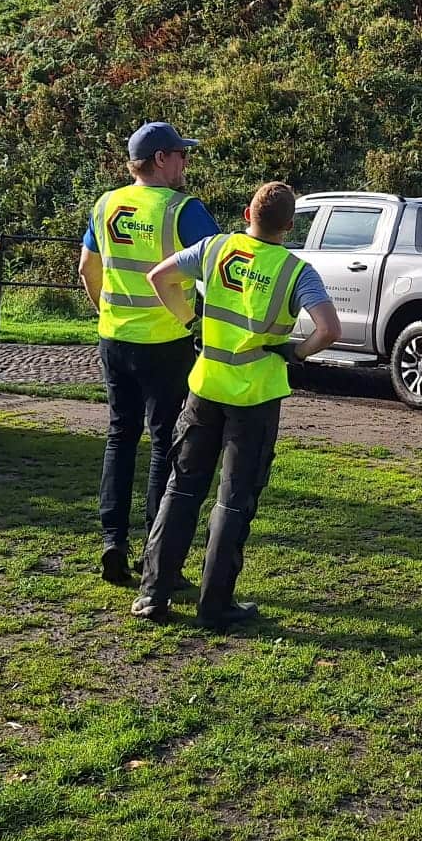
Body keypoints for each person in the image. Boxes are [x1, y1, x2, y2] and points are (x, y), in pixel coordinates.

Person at [131, 181, 340, 626]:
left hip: (205, 385)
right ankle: (215, 603)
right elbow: (328, 329)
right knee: (232, 500)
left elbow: (158, 276)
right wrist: (295, 353)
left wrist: (190, 321)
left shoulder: (213, 248)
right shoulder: (295, 271)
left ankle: (153, 594)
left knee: (181, 488)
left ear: (247, 213)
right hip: (256, 396)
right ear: (289, 226)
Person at [78, 122, 220, 586]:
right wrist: (194, 323)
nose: (185, 163)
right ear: (161, 159)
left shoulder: (106, 204)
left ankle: (111, 540)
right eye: (181, 155)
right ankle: (154, 554)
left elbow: (86, 269)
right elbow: (220, 267)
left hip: (114, 339)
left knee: (120, 436)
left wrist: (107, 312)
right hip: (166, 342)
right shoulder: (184, 210)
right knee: (163, 443)